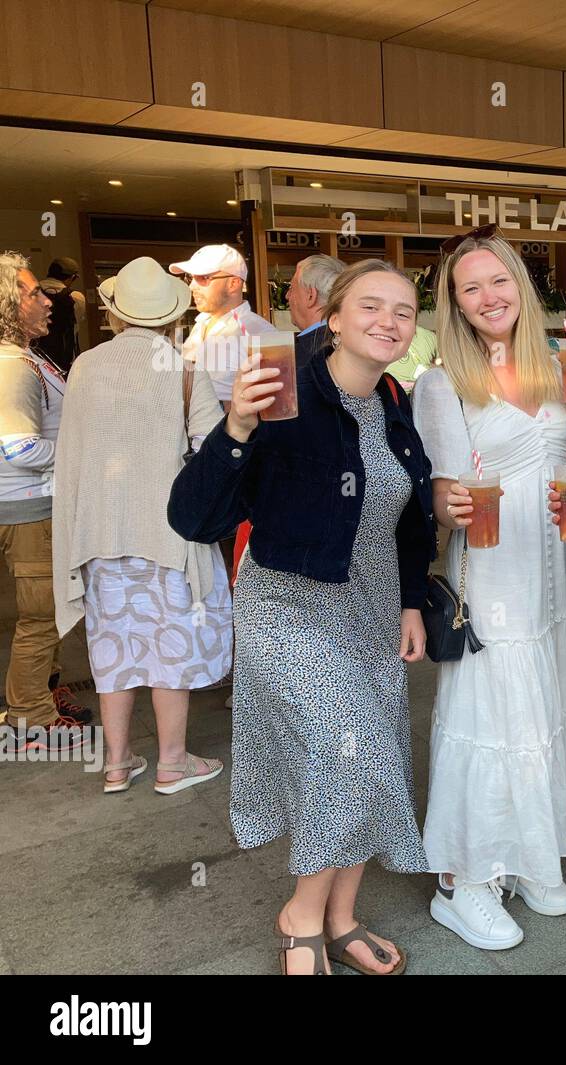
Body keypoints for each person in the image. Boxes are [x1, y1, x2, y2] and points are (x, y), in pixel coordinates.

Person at [168, 259, 435, 976]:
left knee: (366, 752)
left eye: (403, 311)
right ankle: (300, 915)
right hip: (287, 604)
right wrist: (235, 426)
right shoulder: (282, 398)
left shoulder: (394, 402)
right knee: (348, 750)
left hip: (373, 607)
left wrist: (411, 599)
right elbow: (194, 517)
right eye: (371, 307)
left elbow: (411, 517)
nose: (388, 321)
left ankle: (342, 917)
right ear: (335, 319)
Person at [414, 226, 566, 951]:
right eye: (471, 288)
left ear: (518, 287)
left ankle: (530, 856)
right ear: (457, 304)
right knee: (494, 715)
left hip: (557, 567)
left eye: (498, 280)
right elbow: (436, 492)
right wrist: (449, 505)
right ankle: (464, 879)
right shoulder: (441, 384)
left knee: (548, 704)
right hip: (493, 571)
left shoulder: (556, 363)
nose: (487, 296)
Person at [52, 257, 230, 793]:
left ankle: (116, 763)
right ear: (171, 314)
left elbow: (74, 451)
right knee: (168, 648)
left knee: (115, 649)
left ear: (114, 312)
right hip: (168, 534)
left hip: (101, 534)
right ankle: (172, 764)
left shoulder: (85, 365)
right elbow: (211, 446)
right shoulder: (181, 365)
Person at [0, 251, 89, 752]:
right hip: (30, 506)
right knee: (41, 615)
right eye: (32, 292)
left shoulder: (23, 357)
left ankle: (40, 697)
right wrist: (83, 454)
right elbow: (20, 447)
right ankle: (31, 718)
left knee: (47, 612)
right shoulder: (13, 366)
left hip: (33, 502)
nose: (46, 299)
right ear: (9, 305)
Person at [170, 244, 275, 408]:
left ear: (233, 283)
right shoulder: (201, 324)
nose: (192, 286)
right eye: (190, 278)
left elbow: (275, 402)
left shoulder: (258, 332)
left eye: (204, 278)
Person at [286, 253, 344, 368]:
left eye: (291, 288)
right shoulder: (358, 345)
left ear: (311, 296)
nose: (287, 296)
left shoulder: (293, 359)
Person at [31, 257, 84, 375]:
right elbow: (78, 321)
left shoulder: (32, 294)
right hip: (64, 357)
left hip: (36, 354)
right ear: (72, 278)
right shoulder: (75, 297)